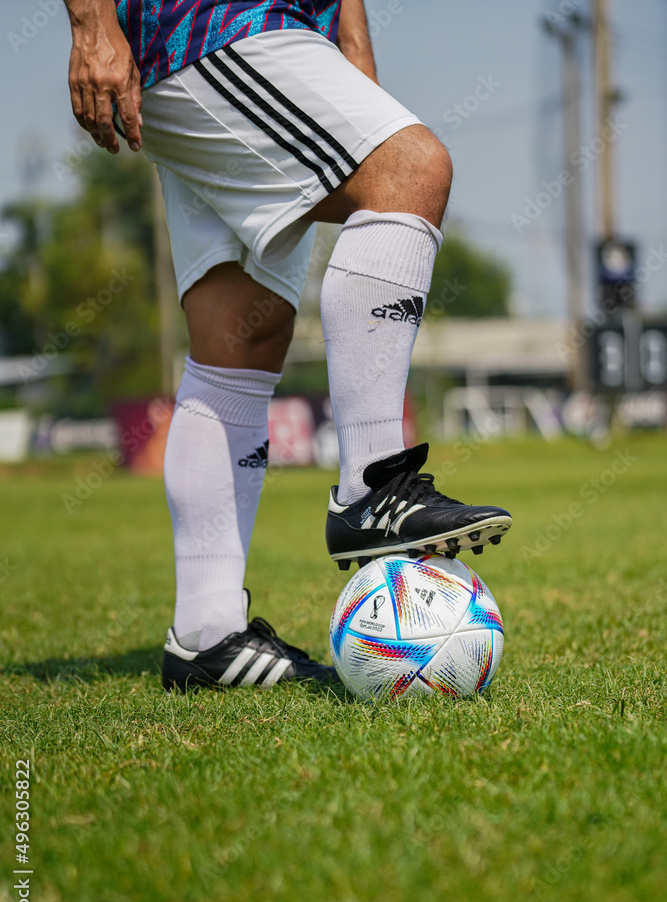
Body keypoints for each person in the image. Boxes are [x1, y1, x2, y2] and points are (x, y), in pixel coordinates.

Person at [63, 0, 512, 691]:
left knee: (244, 330)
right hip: (208, 26)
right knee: (411, 169)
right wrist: (92, 22)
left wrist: (352, 54)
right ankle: (372, 488)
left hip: (254, 35)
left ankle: (206, 638)